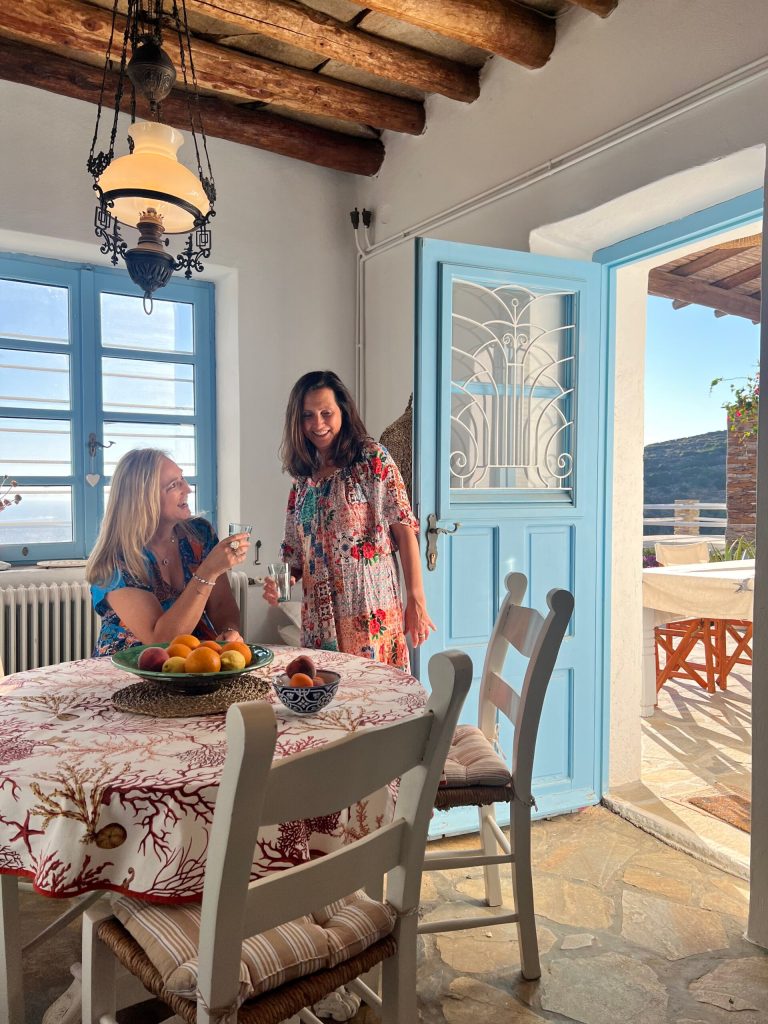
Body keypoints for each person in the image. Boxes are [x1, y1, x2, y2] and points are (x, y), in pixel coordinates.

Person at [263, 370, 435, 670]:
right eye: (307, 415)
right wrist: (281, 583)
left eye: (326, 413)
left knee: (375, 700)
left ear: (343, 411)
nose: (318, 424)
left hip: (368, 610)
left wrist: (416, 599)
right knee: (331, 703)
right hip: (319, 621)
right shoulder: (302, 481)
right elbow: (294, 558)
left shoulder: (371, 459)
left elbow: (404, 529)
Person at [86, 448, 251, 657]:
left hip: (195, 664)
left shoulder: (200, 534)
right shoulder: (115, 562)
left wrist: (229, 631)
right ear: (143, 498)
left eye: (182, 478)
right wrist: (208, 571)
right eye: (174, 485)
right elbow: (161, 641)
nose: (188, 489)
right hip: (132, 671)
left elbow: (221, 604)